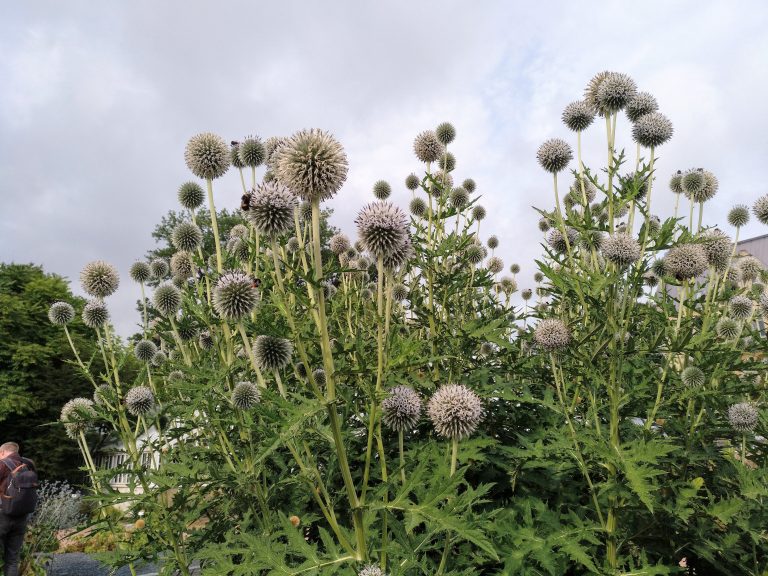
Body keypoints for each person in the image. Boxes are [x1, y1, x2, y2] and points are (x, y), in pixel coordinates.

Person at [0, 442, 36, 576]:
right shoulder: (29, 464)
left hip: (2, 515)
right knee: (12, 559)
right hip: (21, 516)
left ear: (3, 452)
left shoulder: (2, 464)